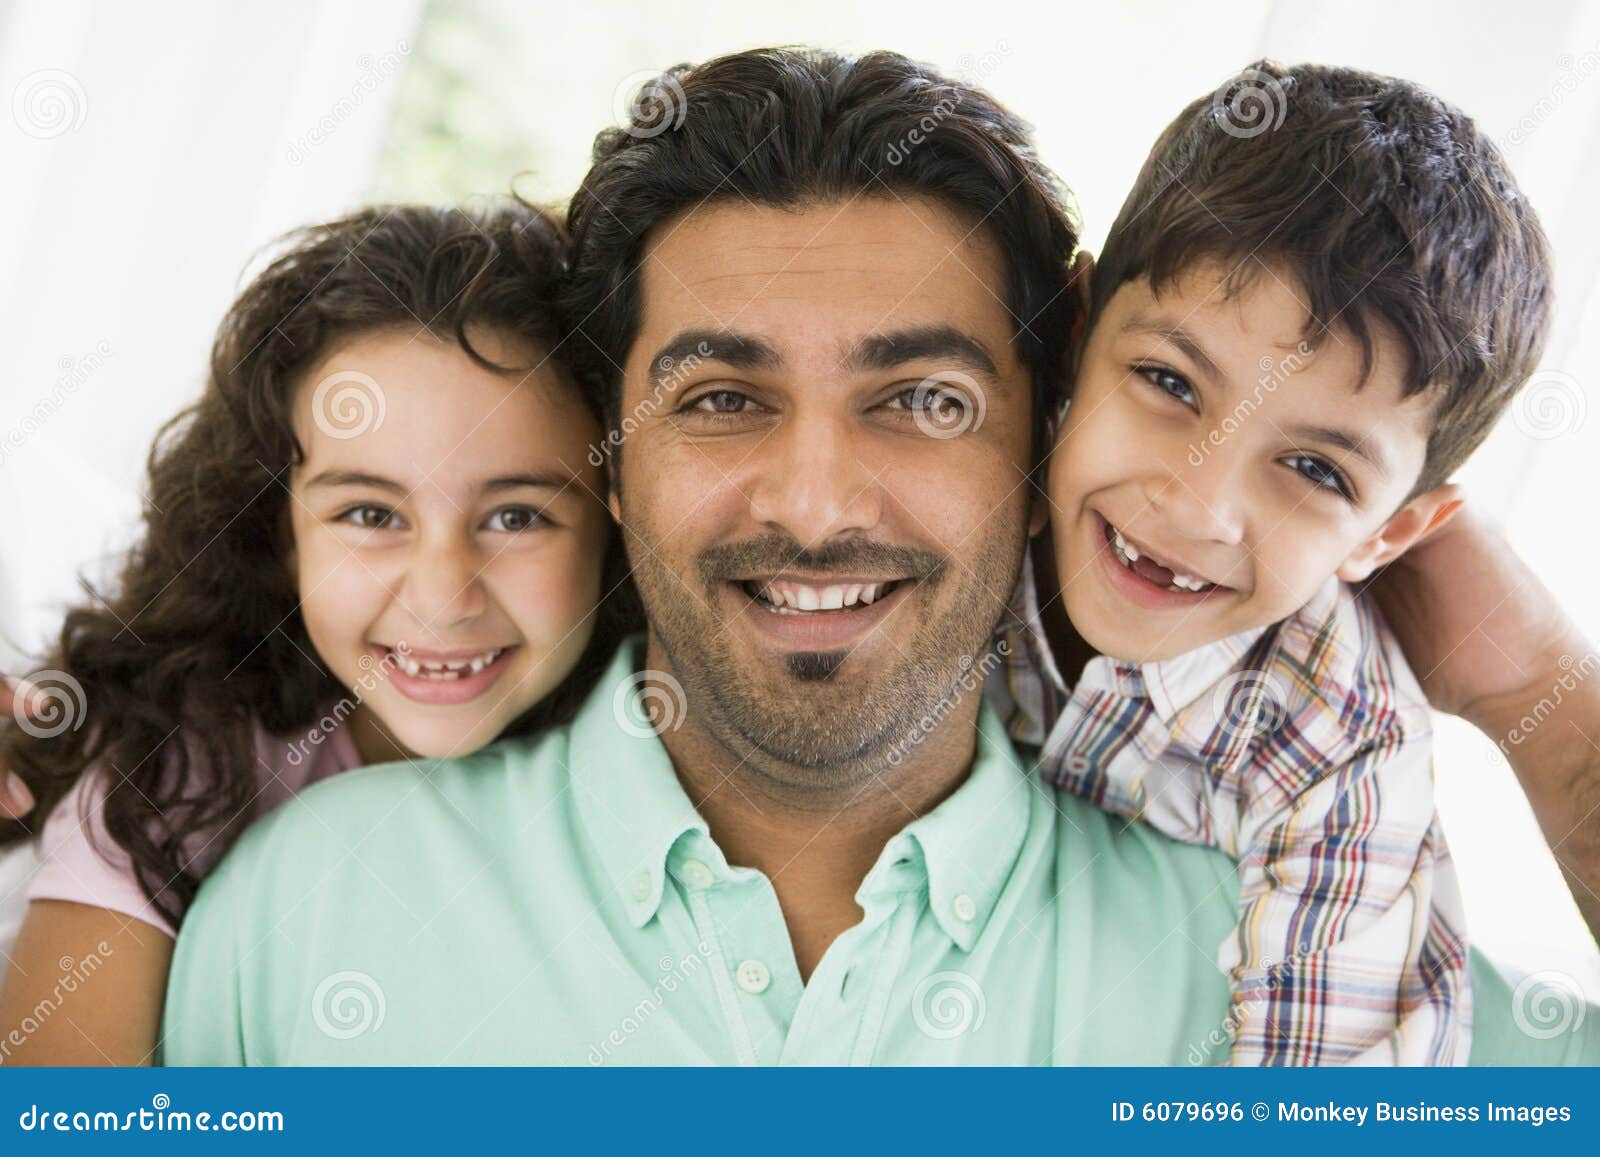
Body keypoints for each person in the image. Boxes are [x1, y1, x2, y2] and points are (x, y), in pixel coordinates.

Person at [157, 48, 1599, 1065]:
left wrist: (1538, 683)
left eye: (923, 400)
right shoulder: (300, 910)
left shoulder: (1288, 949)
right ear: (608, 443)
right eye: (722, 399)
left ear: (1044, 426)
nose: (815, 496)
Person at [986, 61, 1552, 1064]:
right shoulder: (951, 511)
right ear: (1071, 337)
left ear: (1389, 534)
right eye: (1168, 380)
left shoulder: (1342, 732)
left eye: (1312, 467)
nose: (1195, 504)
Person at [0, 202, 632, 1064]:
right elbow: (58, 1115)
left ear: (619, 524)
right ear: (277, 531)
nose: (443, 594)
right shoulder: (190, 757)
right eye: (370, 513)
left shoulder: (652, 753)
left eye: (518, 515)